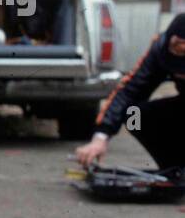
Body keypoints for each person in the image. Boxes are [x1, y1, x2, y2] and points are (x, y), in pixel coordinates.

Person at [75, 13, 185, 171]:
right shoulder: (159, 49)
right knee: (135, 115)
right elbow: (129, 91)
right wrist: (100, 138)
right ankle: (175, 169)